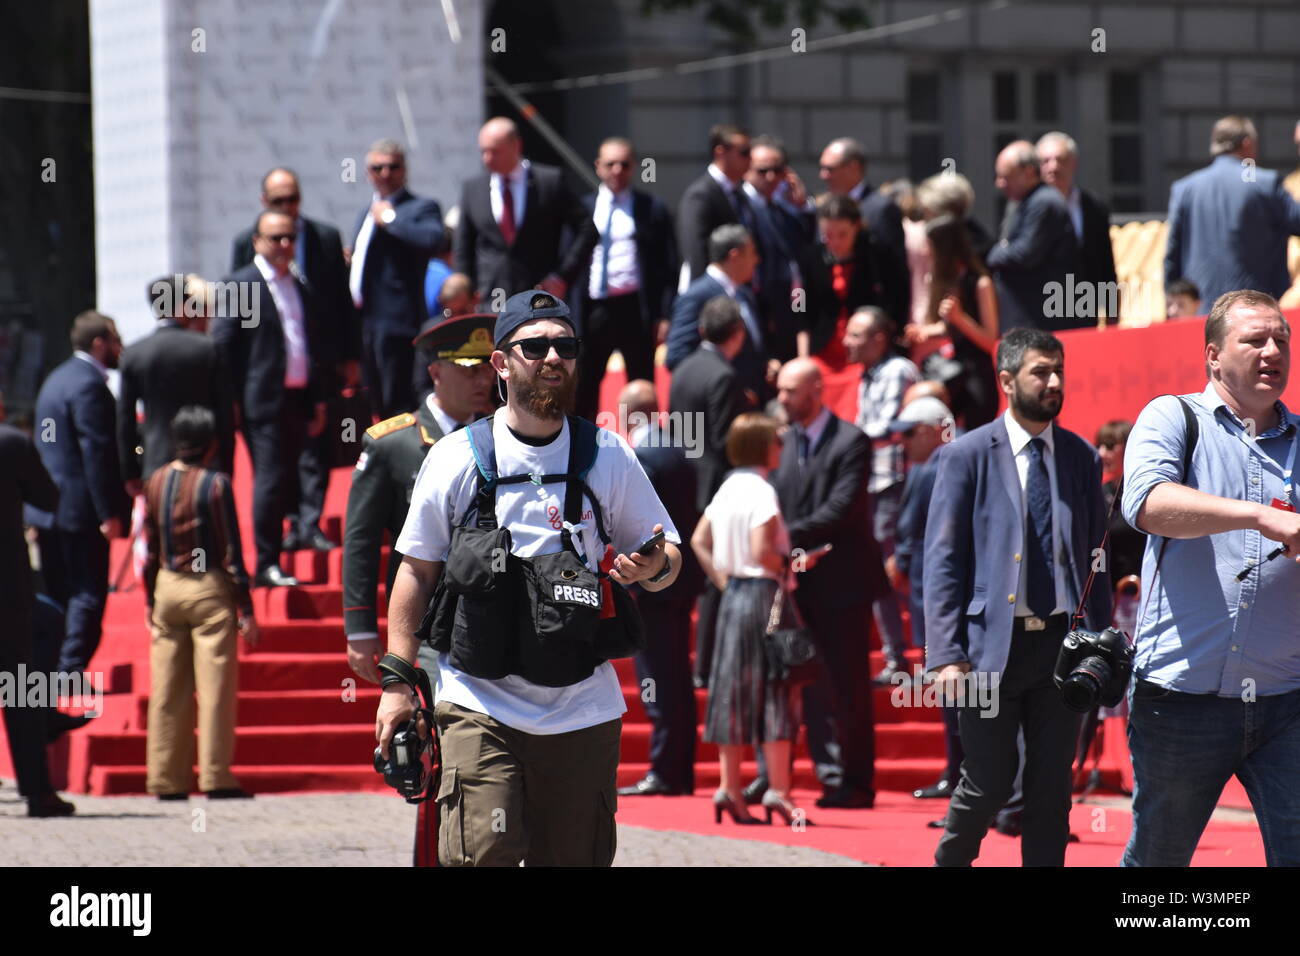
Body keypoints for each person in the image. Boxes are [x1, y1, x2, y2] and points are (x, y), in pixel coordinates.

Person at [376, 290, 683, 867]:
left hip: (581, 709)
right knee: (480, 853)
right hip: (478, 701)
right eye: (534, 345)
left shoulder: (607, 454)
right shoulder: (454, 458)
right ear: (500, 362)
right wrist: (397, 683)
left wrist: (654, 567)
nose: (552, 357)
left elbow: (667, 551)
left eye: (564, 345)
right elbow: (415, 571)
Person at [1120, 289, 1300, 867]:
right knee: (1159, 863)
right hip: (1179, 698)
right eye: (1255, 340)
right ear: (1213, 356)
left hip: (1287, 700)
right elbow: (1147, 502)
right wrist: (1260, 515)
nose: (1273, 350)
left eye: (1282, 340)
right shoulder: (1171, 416)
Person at [925, 328, 1111, 866]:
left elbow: (1095, 559)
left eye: (1059, 372)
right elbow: (941, 560)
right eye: (1040, 372)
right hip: (987, 652)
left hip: (1061, 650)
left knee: (1052, 794)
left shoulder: (1080, 458)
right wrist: (946, 655)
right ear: (1006, 381)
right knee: (985, 783)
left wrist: (1099, 649)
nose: (1054, 382)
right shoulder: (966, 455)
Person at [343, 312, 496, 680]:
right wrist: (360, 627)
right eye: (468, 368)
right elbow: (361, 540)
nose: (481, 379)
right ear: (436, 372)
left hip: (489, 615)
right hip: (426, 619)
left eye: (486, 368)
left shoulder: (499, 439)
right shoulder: (394, 444)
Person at [767, 358, 891, 809]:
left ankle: (856, 783)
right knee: (810, 683)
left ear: (817, 390)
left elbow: (842, 508)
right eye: (780, 391)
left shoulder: (851, 441)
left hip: (844, 586)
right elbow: (779, 497)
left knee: (849, 686)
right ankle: (828, 774)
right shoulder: (787, 440)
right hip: (801, 585)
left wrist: (782, 534)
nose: (781, 399)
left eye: (790, 391)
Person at [232, 166, 359, 551]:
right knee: (274, 465)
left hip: (317, 363)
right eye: (278, 202)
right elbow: (236, 326)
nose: (287, 208)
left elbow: (342, 301)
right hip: (267, 373)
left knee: (316, 451)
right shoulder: (244, 247)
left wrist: (350, 355)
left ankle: (310, 522)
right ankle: (282, 532)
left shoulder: (323, 237)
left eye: (292, 199)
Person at [692, 412, 805, 825]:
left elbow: (699, 540)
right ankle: (777, 789)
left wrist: (724, 580)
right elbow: (762, 551)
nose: (781, 445)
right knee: (775, 693)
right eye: (776, 439)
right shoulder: (761, 490)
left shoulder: (728, 487)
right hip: (763, 595)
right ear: (763, 445)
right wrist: (792, 561)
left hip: (734, 598)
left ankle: (729, 787)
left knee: (731, 694)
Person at [142, 406, 259, 800]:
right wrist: (245, 608)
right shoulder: (215, 485)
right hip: (207, 587)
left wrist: (148, 599)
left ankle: (165, 780)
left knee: (166, 691)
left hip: (166, 587)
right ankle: (215, 777)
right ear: (210, 444)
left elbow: (149, 549)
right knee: (214, 691)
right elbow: (231, 552)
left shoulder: (154, 482)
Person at [213, 209, 329, 588]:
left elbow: (308, 344)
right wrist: (229, 398)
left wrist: (318, 399)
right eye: (275, 238)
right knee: (271, 479)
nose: (284, 246)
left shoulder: (300, 283)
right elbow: (224, 346)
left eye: (289, 238)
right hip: (259, 400)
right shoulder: (242, 284)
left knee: (294, 477)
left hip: (298, 397)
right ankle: (265, 562)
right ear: (257, 242)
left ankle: (289, 543)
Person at [32, 311, 131, 675]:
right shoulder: (89, 385)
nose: (121, 347)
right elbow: (97, 453)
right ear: (99, 343)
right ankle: (68, 670)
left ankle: (54, 672)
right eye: (116, 339)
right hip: (80, 511)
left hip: (48, 510)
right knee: (86, 593)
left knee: (59, 594)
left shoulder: (54, 381)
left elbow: (46, 446)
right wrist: (109, 511)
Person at [617, 380, 702, 798]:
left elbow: (641, 527)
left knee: (659, 679)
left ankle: (667, 772)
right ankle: (678, 770)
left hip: (654, 584)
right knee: (677, 678)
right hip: (682, 581)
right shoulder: (679, 454)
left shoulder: (641, 458)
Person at [884, 395, 962, 801]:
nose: (902, 443)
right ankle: (958, 771)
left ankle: (960, 773)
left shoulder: (947, 463)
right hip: (931, 592)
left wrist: (906, 557)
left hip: (942, 597)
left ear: (934, 429)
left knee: (953, 688)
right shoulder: (929, 465)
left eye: (910, 434)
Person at [667, 296, 746, 689]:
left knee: (695, 582)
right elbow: (722, 441)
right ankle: (709, 665)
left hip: (683, 486)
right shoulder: (724, 376)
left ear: (701, 331)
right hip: (714, 491)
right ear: (738, 334)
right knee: (716, 580)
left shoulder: (681, 369)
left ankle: (696, 666)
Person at [0, 412, 74, 817]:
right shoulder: (11, 442)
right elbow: (47, 497)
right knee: (21, 688)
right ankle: (37, 790)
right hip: (7, 591)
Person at [573, 137, 678, 422]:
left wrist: (665, 315)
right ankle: (581, 449)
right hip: (594, 308)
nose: (617, 170)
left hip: (635, 309)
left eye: (624, 164)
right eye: (610, 164)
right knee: (584, 382)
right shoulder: (583, 207)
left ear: (633, 167)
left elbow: (669, 265)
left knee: (641, 384)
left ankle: (642, 449)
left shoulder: (651, 207)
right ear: (598, 167)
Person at [842, 306, 919, 684]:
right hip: (871, 483)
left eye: (855, 335)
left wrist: (846, 443)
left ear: (878, 339)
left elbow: (890, 427)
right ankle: (896, 659)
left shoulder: (897, 371)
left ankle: (919, 657)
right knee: (878, 573)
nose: (846, 342)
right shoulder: (867, 376)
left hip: (895, 484)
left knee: (896, 570)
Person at [348, 139, 445, 420]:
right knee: (375, 403)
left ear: (405, 170)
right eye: (377, 167)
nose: (385, 173)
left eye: (393, 166)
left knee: (400, 403)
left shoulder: (420, 207)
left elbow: (434, 239)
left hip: (399, 324)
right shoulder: (365, 213)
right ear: (368, 173)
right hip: (365, 322)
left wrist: (390, 219)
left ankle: (408, 462)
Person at [455, 117, 598, 305]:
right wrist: (466, 289)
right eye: (484, 151)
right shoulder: (473, 189)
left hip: (539, 299)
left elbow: (587, 229)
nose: (487, 159)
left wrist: (562, 277)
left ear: (516, 146)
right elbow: (463, 245)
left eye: (495, 151)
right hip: (490, 300)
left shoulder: (549, 182)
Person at [1165, 116, 1300, 308]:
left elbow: (1172, 253)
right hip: (1255, 309)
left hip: (1202, 310)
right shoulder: (1264, 183)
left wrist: (1172, 302)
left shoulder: (1185, 188)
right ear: (1247, 143)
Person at [119, 275, 235, 486]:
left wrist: (130, 471)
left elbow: (125, 419)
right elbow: (224, 412)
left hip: (155, 463)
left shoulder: (134, 353)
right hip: (205, 461)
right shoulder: (208, 349)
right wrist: (227, 463)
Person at [665, 224, 770, 404]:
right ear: (735, 256)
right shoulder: (695, 297)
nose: (757, 260)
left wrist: (766, 364)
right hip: (721, 404)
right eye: (752, 253)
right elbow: (677, 356)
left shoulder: (744, 293)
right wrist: (728, 387)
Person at [914, 214, 1000, 428]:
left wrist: (959, 318)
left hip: (978, 378)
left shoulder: (981, 283)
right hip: (955, 373)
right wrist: (926, 331)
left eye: (930, 246)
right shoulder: (949, 281)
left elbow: (990, 340)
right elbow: (950, 327)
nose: (926, 252)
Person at [986, 141, 1080, 333]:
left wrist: (993, 252)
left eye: (1006, 177)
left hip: (1041, 319)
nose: (1000, 183)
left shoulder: (1043, 202)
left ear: (1028, 173)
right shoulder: (1024, 202)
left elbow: (1023, 254)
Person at [817, 136, 910, 323]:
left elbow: (895, 273)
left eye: (830, 169)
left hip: (868, 318)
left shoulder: (880, 209)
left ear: (853, 167)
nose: (823, 175)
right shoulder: (822, 206)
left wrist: (892, 322)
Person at [743, 134, 814, 363]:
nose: (771, 177)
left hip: (791, 307)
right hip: (759, 310)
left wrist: (802, 205)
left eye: (778, 169)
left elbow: (806, 247)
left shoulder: (784, 210)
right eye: (762, 171)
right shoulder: (740, 207)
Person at [795, 196, 888, 371]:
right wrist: (803, 359)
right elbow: (799, 309)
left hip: (865, 355)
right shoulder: (809, 258)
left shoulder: (875, 255)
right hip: (822, 351)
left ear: (857, 227)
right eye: (828, 236)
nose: (835, 242)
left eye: (843, 234)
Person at [1037, 131, 1120, 324]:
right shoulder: (1027, 207)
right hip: (1041, 310)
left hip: (1083, 307)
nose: (1053, 166)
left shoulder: (1093, 205)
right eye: (1046, 161)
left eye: (1060, 159)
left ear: (1073, 163)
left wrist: (1112, 313)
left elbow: (1105, 262)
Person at [677, 124, 753, 284]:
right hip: (715, 294)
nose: (750, 159)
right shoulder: (700, 195)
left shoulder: (740, 194)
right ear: (720, 152)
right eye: (744, 153)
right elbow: (696, 252)